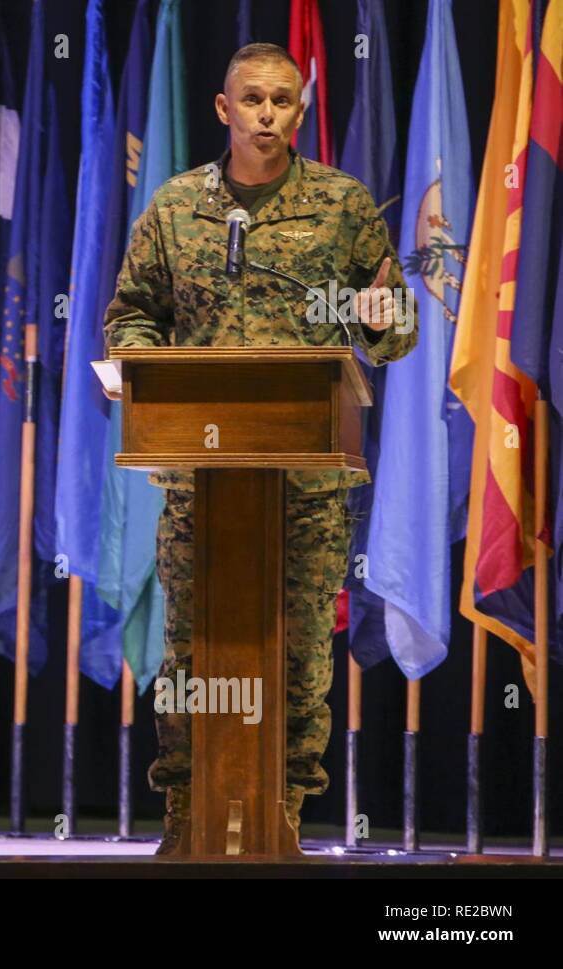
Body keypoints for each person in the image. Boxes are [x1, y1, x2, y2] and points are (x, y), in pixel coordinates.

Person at [102, 42, 417, 854]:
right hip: (200, 481)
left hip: (306, 486)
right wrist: (137, 368)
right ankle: (187, 814)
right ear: (224, 108)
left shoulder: (341, 205)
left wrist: (383, 318)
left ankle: (281, 813)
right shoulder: (177, 207)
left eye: (282, 100)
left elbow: (397, 324)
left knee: (301, 656)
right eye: (252, 100)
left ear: (300, 111)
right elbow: (131, 313)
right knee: (193, 654)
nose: (267, 114)